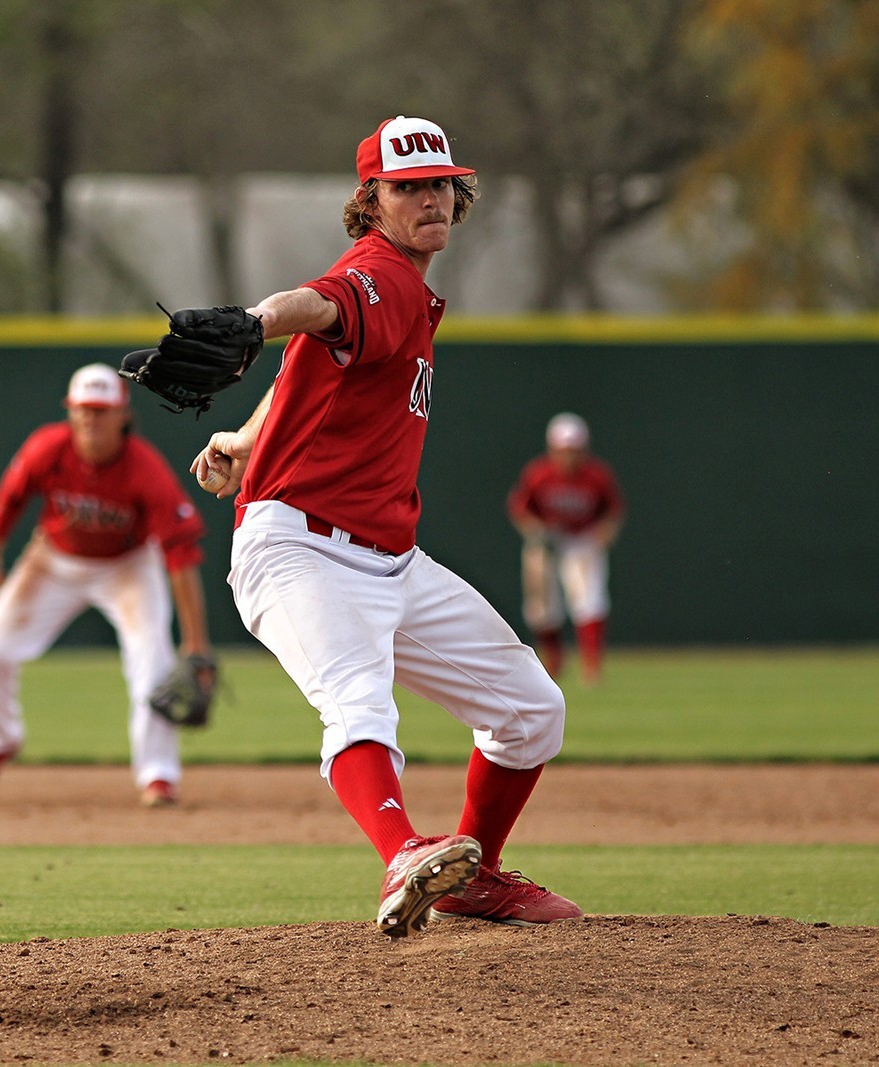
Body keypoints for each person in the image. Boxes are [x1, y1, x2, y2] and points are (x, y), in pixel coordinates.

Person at [188, 115, 581, 937]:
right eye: (407, 188)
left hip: (391, 561)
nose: (429, 198)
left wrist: (243, 436)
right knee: (359, 705)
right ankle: (403, 853)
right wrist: (255, 322)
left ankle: (476, 875)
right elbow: (315, 309)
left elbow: (316, 362)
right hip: (300, 549)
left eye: (439, 183)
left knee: (530, 708)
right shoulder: (382, 274)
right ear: (372, 201)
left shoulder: (404, 288)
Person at [0, 363, 213, 807]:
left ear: (122, 414)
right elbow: (12, 495)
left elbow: (181, 555)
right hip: (53, 560)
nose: (90, 420)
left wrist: (196, 643)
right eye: (82, 410)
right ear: (70, 412)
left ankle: (158, 775)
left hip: (127, 567)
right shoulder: (49, 447)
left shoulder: (145, 469)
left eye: (100, 411)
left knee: (152, 665)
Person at [507, 412, 625, 686]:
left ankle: (591, 668)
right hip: (548, 538)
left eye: (574, 450)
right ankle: (555, 662)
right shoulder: (539, 473)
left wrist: (603, 533)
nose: (568, 457)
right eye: (563, 450)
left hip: (582, 539)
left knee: (588, 599)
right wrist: (536, 531)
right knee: (542, 606)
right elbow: (520, 508)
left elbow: (613, 512)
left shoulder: (596, 475)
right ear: (552, 449)